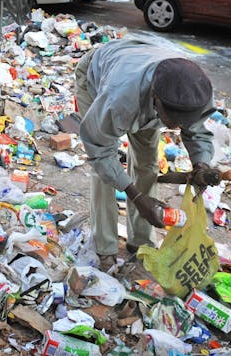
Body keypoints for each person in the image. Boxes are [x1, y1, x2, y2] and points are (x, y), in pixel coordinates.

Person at [75, 38, 218, 269]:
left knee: (147, 166)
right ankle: (105, 247)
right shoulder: (118, 99)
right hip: (99, 75)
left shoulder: (196, 93)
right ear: (155, 99)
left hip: (140, 68)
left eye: (181, 124)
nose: (175, 129)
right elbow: (100, 150)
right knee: (104, 175)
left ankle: (140, 242)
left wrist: (201, 166)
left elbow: (197, 131)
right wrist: (137, 197)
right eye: (171, 121)